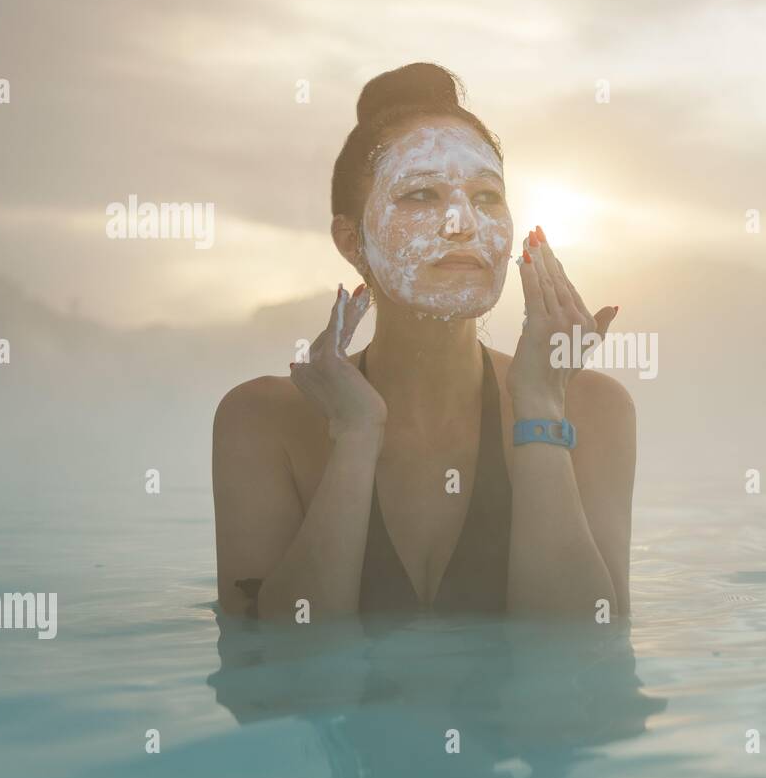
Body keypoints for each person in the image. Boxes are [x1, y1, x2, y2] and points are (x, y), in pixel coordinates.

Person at [212, 63, 635, 621]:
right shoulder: (263, 420)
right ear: (351, 240)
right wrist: (355, 438)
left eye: (487, 197)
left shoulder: (590, 408)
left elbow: (583, 653)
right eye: (420, 195)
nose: (463, 223)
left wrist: (540, 406)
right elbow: (285, 660)